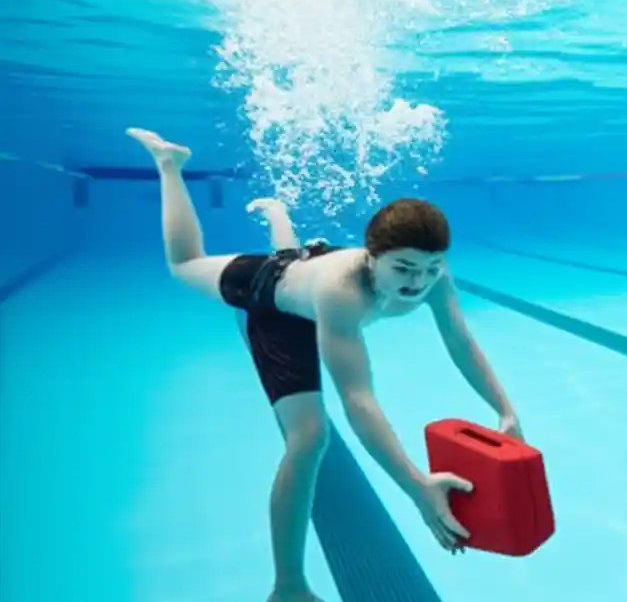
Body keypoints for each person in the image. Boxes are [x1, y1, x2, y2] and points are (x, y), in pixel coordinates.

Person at [126, 127, 524, 602]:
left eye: (431, 268)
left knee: (299, 257)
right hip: (271, 297)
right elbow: (358, 400)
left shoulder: (432, 277)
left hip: (309, 269)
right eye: (404, 269)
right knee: (308, 436)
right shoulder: (344, 294)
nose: (419, 283)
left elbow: (460, 340)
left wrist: (505, 410)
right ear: (373, 258)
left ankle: (278, 214)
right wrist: (416, 486)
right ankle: (169, 163)